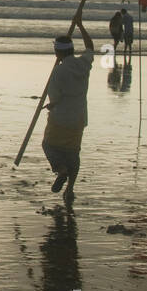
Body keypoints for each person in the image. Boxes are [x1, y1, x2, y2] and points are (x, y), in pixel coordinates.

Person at [42, 12, 94, 201]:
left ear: (58, 52)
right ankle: (70, 188)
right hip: (79, 117)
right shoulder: (83, 64)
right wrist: (80, 25)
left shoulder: (58, 71)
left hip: (61, 117)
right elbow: (90, 47)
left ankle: (60, 170)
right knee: (73, 153)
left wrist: (50, 105)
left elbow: (55, 98)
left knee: (49, 145)